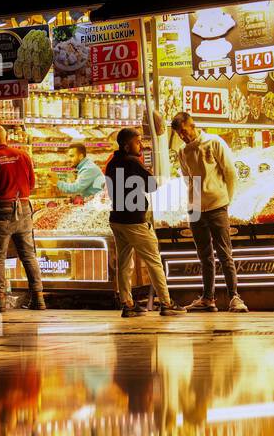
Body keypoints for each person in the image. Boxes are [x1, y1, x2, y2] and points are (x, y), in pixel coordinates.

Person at [169, 112, 248, 313]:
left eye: (184, 132)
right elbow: (186, 178)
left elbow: (230, 172)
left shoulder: (214, 143)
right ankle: (208, 298)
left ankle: (234, 297)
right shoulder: (182, 151)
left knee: (224, 253)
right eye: (180, 134)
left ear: (192, 124)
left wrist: (226, 199)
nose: (184, 137)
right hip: (195, 209)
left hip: (217, 206)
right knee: (204, 255)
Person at [105, 128, 186, 317]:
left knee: (124, 263)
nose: (141, 145)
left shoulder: (111, 163)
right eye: (137, 142)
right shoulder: (132, 162)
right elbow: (153, 186)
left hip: (117, 219)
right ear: (127, 145)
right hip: (135, 221)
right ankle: (166, 303)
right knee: (154, 260)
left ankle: (127, 303)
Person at [0, 125, 45, 313]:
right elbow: (31, 184)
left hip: (2, 210)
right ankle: (38, 298)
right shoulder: (23, 155)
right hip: (23, 207)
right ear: (6, 137)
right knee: (28, 254)